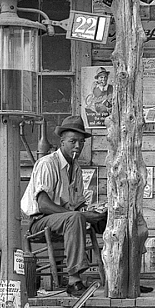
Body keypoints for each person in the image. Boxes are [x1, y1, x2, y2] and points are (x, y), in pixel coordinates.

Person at [20, 116, 104, 294]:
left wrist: (96, 212)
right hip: (40, 222)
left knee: (112, 218)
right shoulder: (47, 163)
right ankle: (74, 281)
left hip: (67, 219)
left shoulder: (76, 168)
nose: (78, 147)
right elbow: (43, 205)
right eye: (73, 141)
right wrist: (80, 214)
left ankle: (123, 274)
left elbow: (79, 203)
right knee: (75, 217)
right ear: (62, 142)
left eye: (81, 142)